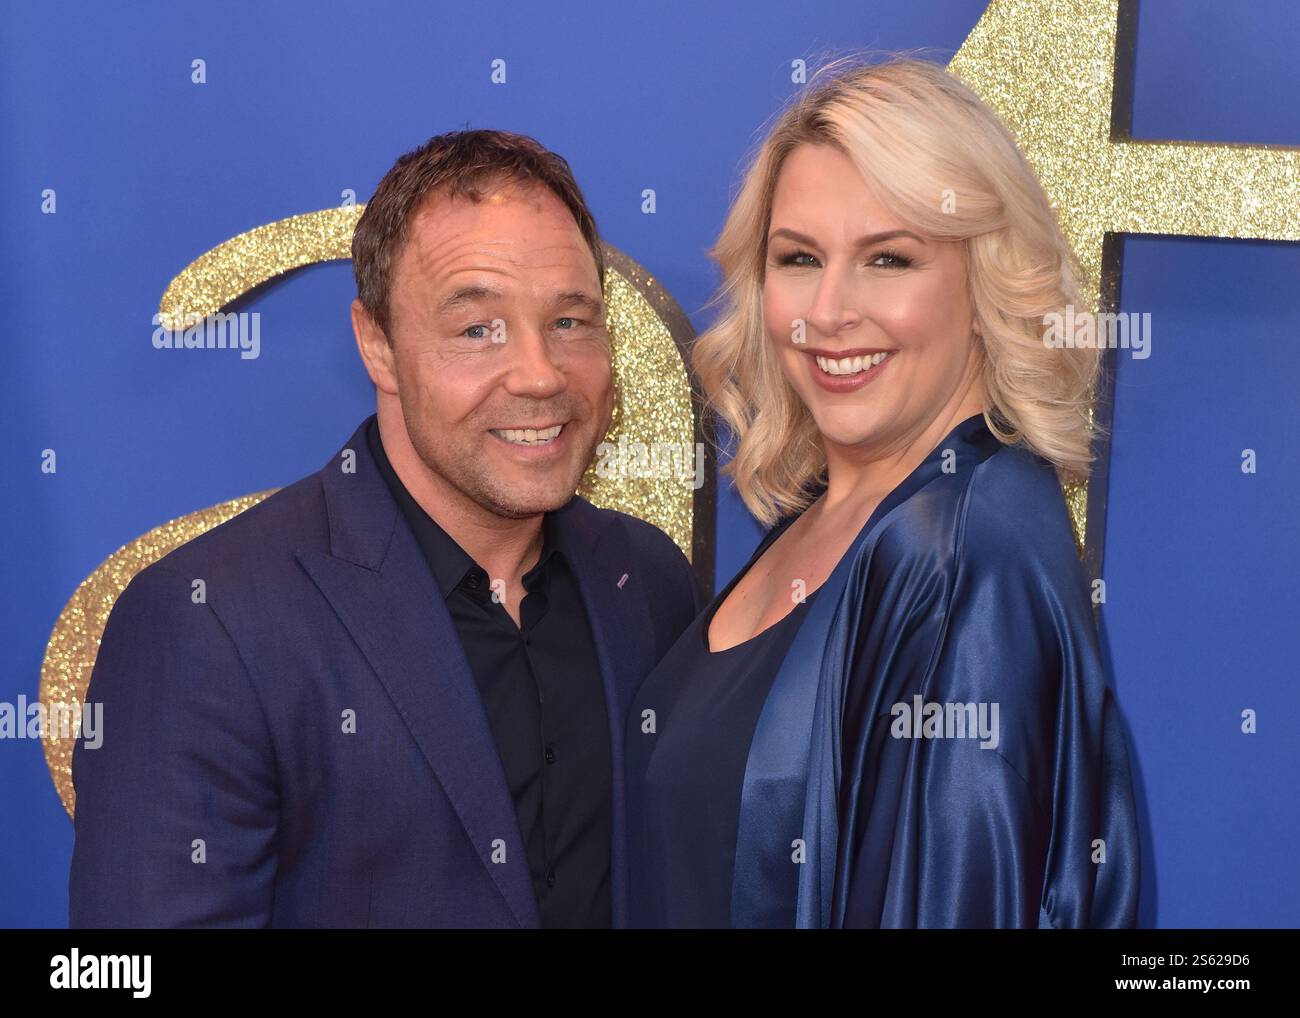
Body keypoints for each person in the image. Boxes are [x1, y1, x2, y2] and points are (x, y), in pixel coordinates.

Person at [69, 129, 703, 928]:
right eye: (478, 329)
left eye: (571, 322)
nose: (541, 374)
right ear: (377, 344)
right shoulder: (210, 621)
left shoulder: (644, 579)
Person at [626, 57, 1141, 928]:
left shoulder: (967, 548)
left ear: (983, 285)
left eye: (888, 259)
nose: (828, 311)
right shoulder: (827, 512)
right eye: (799, 258)